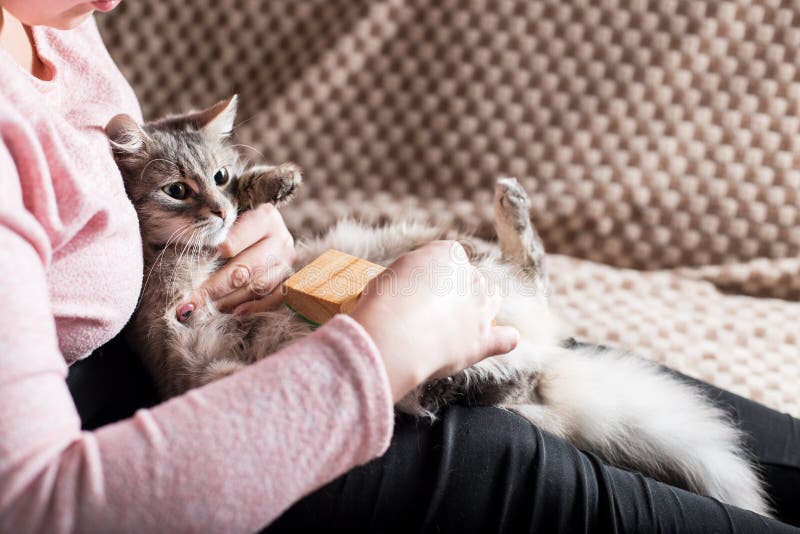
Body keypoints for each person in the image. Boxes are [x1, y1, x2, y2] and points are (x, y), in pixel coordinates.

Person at [0, 1, 797, 532]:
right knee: (569, 461)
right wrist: (382, 353)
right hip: (219, 441)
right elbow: (39, 509)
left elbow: (101, 195)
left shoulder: (46, 19)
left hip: (288, 348)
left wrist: (246, 235)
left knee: (746, 441)